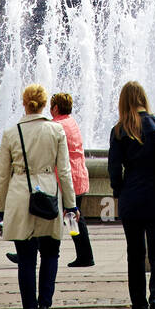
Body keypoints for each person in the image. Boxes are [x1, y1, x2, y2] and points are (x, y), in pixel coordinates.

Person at [0, 84, 76, 309]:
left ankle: (29, 306)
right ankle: (45, 304)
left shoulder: (11, 133)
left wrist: (0, 208)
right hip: (49, 194)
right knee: (51, 254)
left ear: (24, 103)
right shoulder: (56, 130)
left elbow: (3, 176)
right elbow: (64, 171)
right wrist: (71, 204)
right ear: (44, 104)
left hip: (20, 196)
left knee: (26, 258)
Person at [107, 81, 155, 309]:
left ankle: (138, 302)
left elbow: (114, 170)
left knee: (134, 254)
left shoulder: (119, 130)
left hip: (132, 199)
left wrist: (119, 192)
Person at [49, 91, 94, 267]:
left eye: (51, 106)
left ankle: (29, 251)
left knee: (49, 217)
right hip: (78, 176)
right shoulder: (71, 122)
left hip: (66, 180)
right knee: (72, 219)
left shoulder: (57, 126)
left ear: (56, 108)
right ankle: (84, 254)